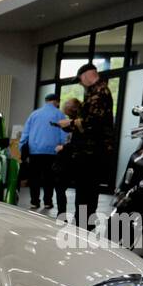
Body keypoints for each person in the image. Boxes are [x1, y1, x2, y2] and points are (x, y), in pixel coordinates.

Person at [57, 63, 115, 229]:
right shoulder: (97, 93)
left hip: (92, 153)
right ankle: (83, 224)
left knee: (86, 191)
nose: (81, 83)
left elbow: (92, 124)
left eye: (80, 79)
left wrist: (70, 123)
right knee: (86, 191)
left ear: (88, 75)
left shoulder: (99, 94)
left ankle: (83, 226)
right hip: (91, 152)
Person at [19, 92, 65, 211]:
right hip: (52, 152)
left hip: (35, 151)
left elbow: (26, 133)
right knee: (49, 178)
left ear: (46, 101)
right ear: (56, 102)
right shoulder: (60, 114)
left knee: (34, 177)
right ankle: (48, 202)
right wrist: (63, 147)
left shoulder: (34, 114)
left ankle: (34, 202)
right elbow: (63, 134)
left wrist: (22, 148)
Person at [52, 97, 81, 218]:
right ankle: (76, 215)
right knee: (78, 191)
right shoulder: (76, 123)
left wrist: (63, 148)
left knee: (60, 188)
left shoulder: (78, 124)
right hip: (74, 161)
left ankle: (62, 214)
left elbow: (77, 143)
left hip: (71, 161)